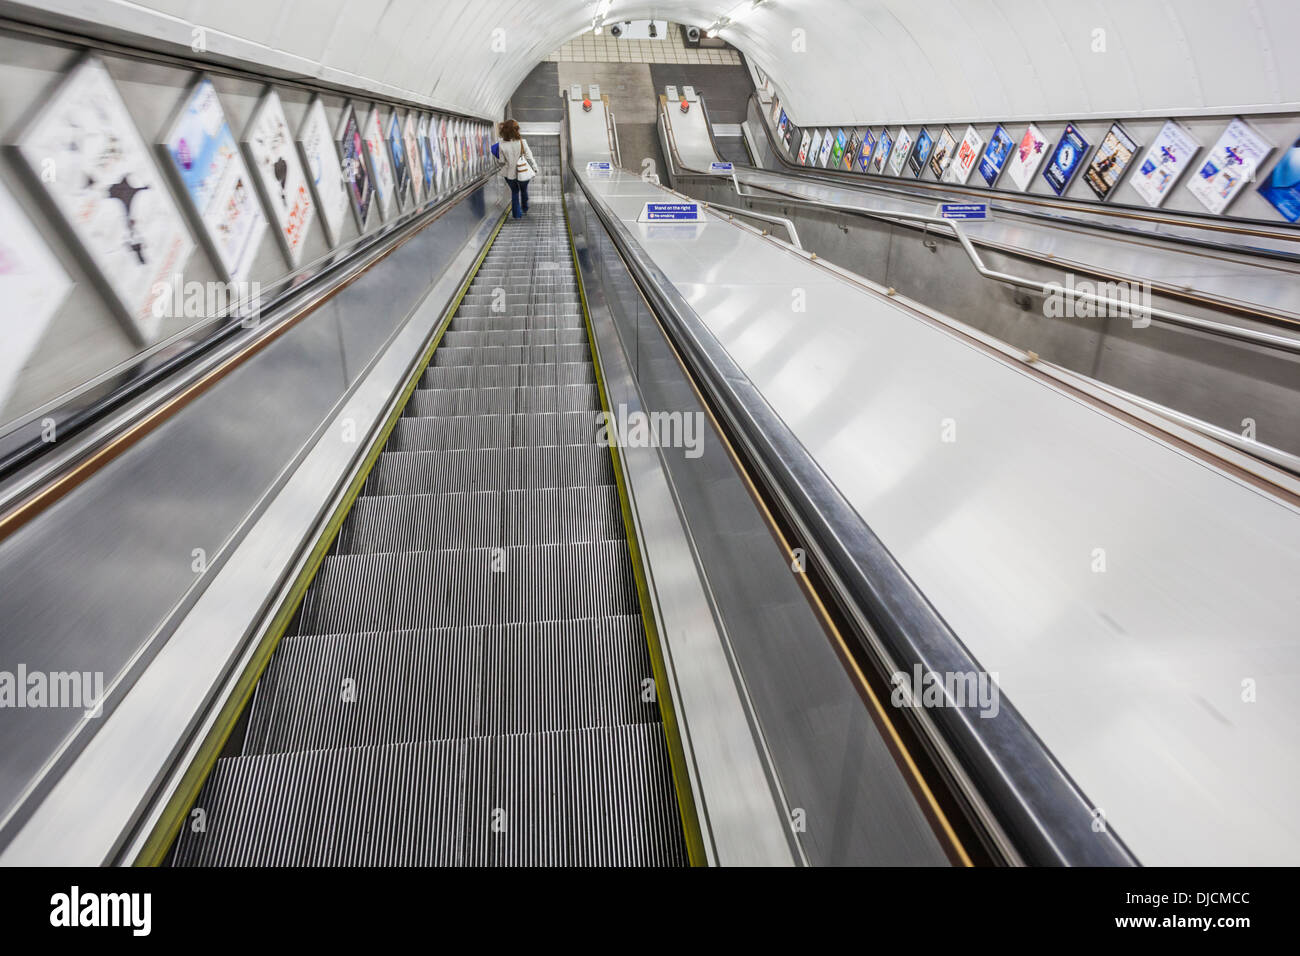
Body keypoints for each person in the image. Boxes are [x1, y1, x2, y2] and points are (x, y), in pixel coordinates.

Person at [496, 119, 537, 219]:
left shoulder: (501, 145)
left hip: (509, 174)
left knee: (514, 192)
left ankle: (517, 215)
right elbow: (529, 157)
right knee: (523, 190)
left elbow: (501, 161)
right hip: (523, 172)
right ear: (516, 130)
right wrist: (535, 168)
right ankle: (525, 207)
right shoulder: (522, 142)